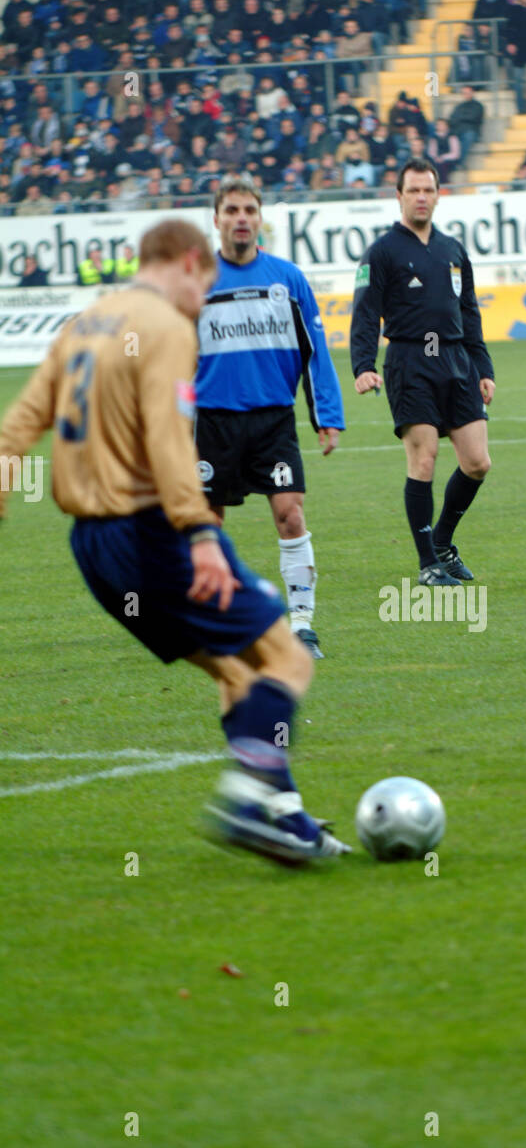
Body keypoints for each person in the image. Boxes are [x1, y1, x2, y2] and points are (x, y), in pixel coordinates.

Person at [0, 218, 348, 863]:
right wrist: (201, 534)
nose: (206, 296)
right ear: (189, 262)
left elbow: (25, 415)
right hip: (154, 531)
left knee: (237, 668)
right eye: (207, 281)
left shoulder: (88, 321)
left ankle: (284, 814)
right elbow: (167, 441)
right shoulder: (164, 329)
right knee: (288, 660)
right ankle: (247, 798)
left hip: (93, 549)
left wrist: (5, 462)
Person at [194, 174, 344, 660]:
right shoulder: (195, 283)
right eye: (232, 211)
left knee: (290, 513)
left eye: (249, 211)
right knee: (207, 523)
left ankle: (302, 626)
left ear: (260, 220)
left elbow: (315, 350)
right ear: (216, 220)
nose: (241, 219)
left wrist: (327, 414)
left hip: (273, 421)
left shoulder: (288, 279)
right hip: (211, 423)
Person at [350, 157, 494, 587]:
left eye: (427, 190)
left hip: (457, 361)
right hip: (410, 362)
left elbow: (469, 311)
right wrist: (363, 365)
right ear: (398, 196)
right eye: (412, 190)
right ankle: (427, 564)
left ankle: (444, 543)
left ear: (437, 195)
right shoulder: (381, 252)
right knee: (425, 457)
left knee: (477, 462)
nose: (420, 197)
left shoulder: (453, 249)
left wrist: (482, 366)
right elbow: (365, 312)